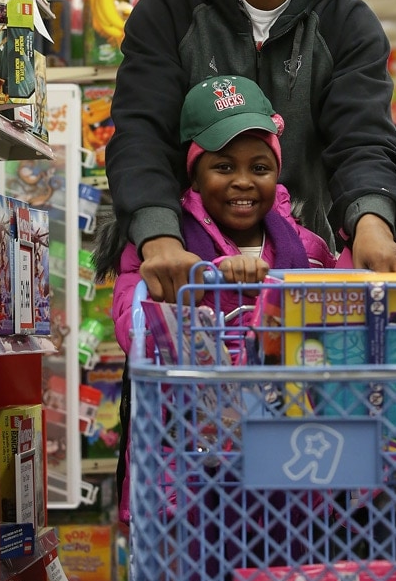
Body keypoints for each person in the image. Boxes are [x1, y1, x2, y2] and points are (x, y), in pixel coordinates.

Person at [105, 0, 396, 303]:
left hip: (305, 273)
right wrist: (160, 240)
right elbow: (141, 134)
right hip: (188, 272)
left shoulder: (347, 24)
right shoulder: (167, 13)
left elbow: (363, 138)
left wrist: (372, 227)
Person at [95, 73, 337, 527]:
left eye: (259, 168)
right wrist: (202, 285)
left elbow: (342, 320)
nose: (243, 181)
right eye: (224, 167)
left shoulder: (307, 249)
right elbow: (134, 330)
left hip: (290, 467)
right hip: (185, 472)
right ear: (195, 170)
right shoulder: (160, 248)